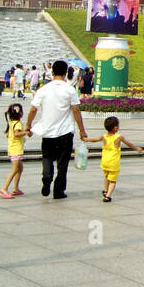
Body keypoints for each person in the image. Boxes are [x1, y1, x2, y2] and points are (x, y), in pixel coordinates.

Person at [25, 59, 88, 199]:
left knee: (47, 157)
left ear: (52, 72)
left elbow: (33, 110)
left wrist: (28, 126)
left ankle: (47, 177)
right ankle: (58, 191)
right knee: (62, 163)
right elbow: (76, 110)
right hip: (65, 133)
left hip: (48, 132)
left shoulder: (43, 90)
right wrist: (82, 131)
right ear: (66, 73)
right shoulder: (70, 90)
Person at [84, 115, 142, 202]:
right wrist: (137, 148)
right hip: (113, 163)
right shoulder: (118, 137)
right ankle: (107, 196)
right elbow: (128, 144)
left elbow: (95, 140)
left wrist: (86, 139)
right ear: (115, 128)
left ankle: (105, 190)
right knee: (113, 181)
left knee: (106, 176)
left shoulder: (104, 136)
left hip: (104, 161)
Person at [0, 103, 27, 199]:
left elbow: (8, 134)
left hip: (13, 149)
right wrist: (26, 132)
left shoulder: (11, 123)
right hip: (16, 150)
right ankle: (4, 188)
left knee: (20, 169)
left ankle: (15, 188)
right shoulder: (18, 124)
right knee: (14, 170)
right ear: (20, 113)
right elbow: (16, 134)